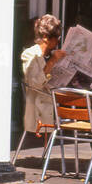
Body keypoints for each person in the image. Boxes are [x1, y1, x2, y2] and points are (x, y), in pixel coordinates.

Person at [19, 14, 65, 151]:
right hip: (40, 104)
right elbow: (33, 83)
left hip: (55, 100)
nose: (57, 42)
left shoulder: (52, 54)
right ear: (45, 37)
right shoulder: (29, 54)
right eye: (56, 38)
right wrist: (52, 62)